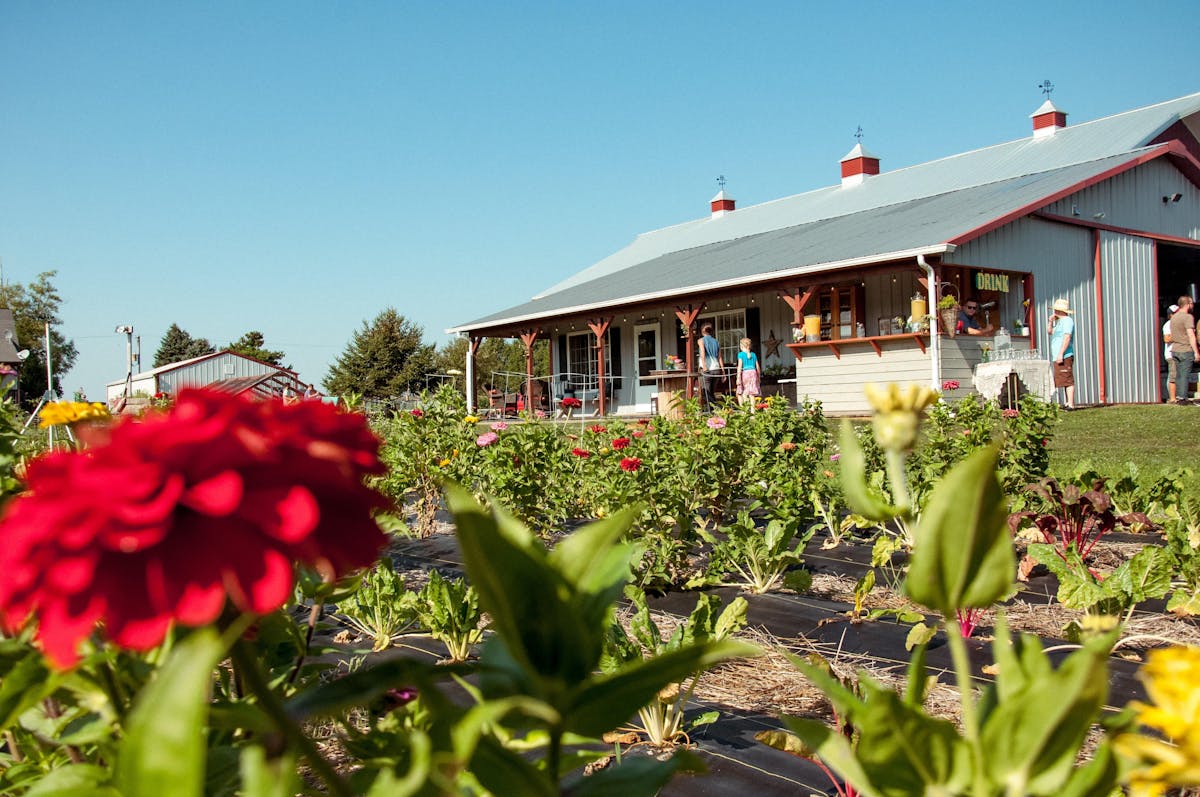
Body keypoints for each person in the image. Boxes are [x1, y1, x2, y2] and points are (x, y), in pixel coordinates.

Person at [1168, 296, 1199, 405]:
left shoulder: (1174, 318)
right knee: (1185, 375)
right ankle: (1183, 398)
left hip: (1175, 349)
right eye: (1192, 304)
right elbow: (1191, 335)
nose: (1193, 306)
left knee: (1179, 375)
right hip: (1185, 349)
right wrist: (1196, 352)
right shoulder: (1188, 317)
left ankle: (1179, 396)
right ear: (1188, 304)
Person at [1048, 297, 1076, 410]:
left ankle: (1071, 403)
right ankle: (1067, 402)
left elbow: (1067, 337)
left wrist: (1061, 353)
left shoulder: (1067, 321)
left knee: (1067, 378)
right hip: (1057, 355)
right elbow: (1050, 332)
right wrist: (1050, 321)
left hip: (1064, 354)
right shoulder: (1059, 322)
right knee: (1062, 379)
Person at [697, 323, 723, 410]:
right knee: (711, 393)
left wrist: (704, 366)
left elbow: (703, 353)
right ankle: (711, 413)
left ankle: (717, 408)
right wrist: (723, 371)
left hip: (707, 369)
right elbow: (720, 357)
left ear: (702, 331)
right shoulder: (716, 341)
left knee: (706, 393)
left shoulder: (701, 340)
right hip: (716, 369)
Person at [735, 337, 761, 407]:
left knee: (744, 392)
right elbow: (757, 367)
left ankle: (746, 411)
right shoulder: (753, 354)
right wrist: (759, 377)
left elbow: (739, 367)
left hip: (745, 373)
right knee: (752, 394)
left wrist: (738, 378)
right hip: (753, 373)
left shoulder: (740, 354)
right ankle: (753, 412)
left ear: (741, 346)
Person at [1163, 304, 1180, 403]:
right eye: (1174, 313)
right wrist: (1180, 336)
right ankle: (1172, 398)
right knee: (1172, 376)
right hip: (1171, 354)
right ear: (1170, 315)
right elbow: (1167, 339)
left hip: (1179, 352)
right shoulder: (1168, 325)